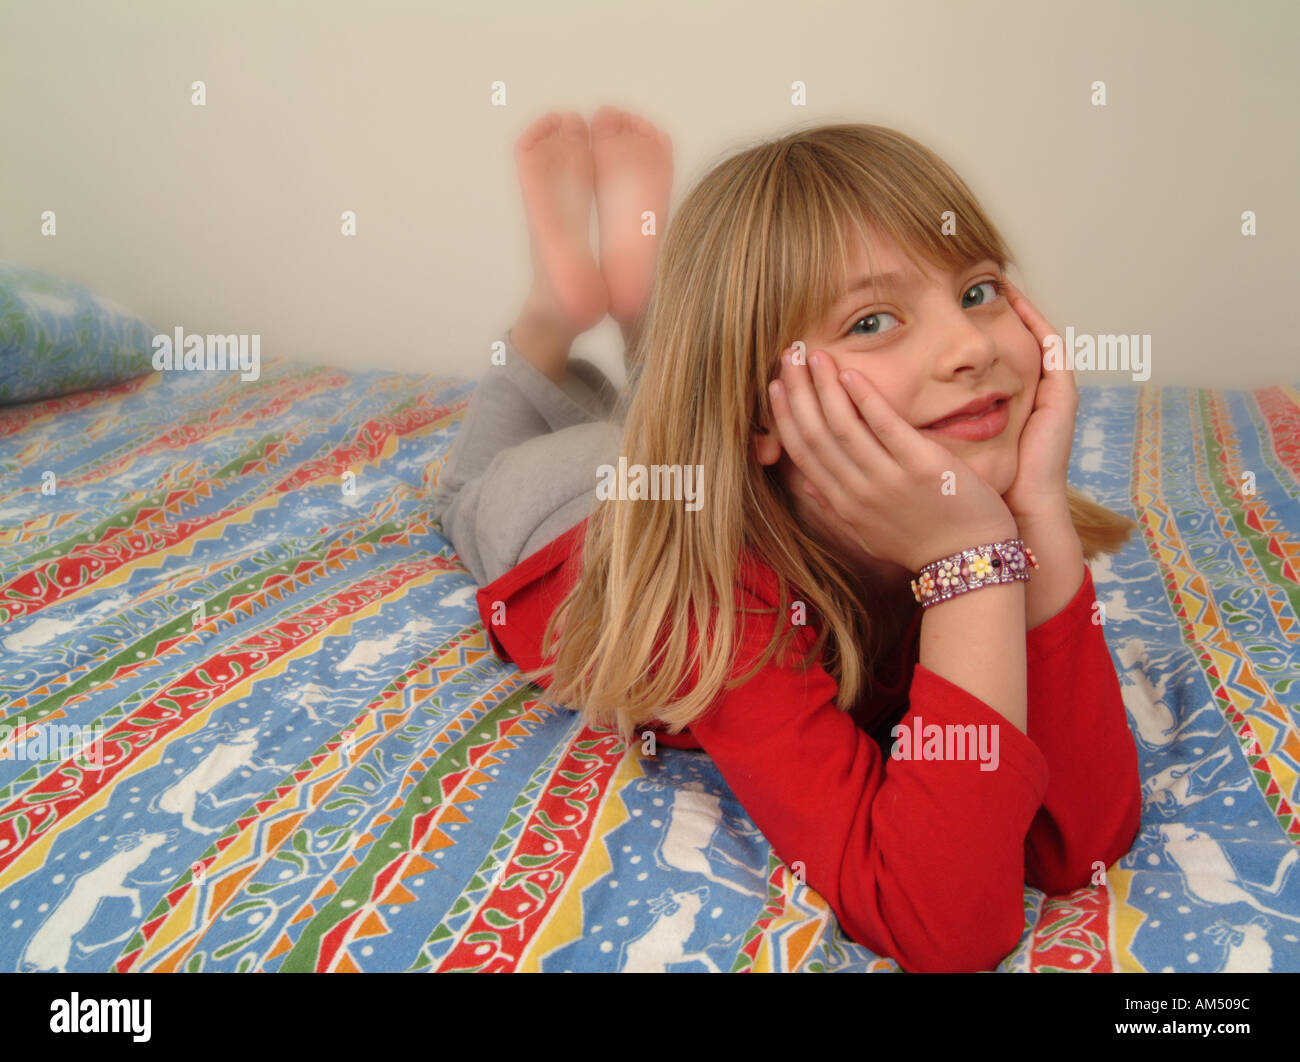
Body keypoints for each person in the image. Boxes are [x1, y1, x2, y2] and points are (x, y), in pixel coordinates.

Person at [432, 107, 1142, 973]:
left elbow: (1082, 844)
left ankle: (637, 303)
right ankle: (558, 308)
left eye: (977, 291)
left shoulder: (964, 512)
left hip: (710, 454)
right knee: (469, 483)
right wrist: (971, 569)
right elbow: (945, 927)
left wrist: (1040, 522)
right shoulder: (716, 611)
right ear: (760, 414)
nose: (968, 346)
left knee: (665, 411)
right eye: (872, 321)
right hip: (567, 509)